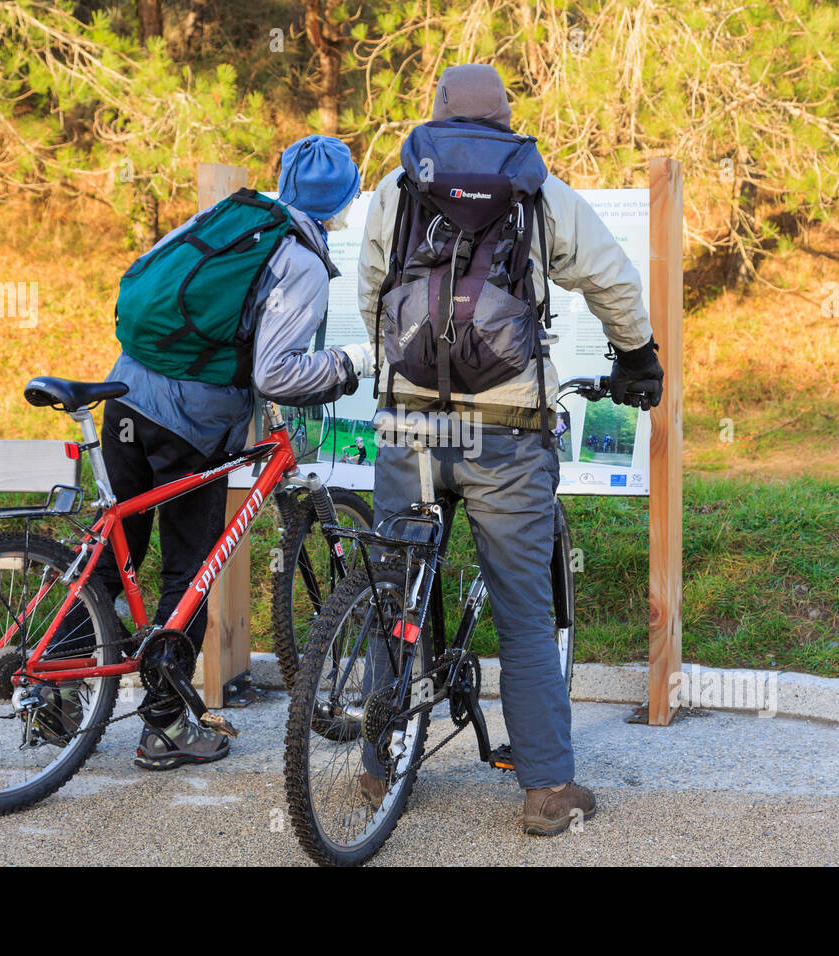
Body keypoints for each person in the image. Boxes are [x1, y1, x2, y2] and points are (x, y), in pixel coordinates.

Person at [357, 64, 663, 835]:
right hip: (507, 431)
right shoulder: (536, 189)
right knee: (526, 615)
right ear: (505, 117)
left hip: (411, 426)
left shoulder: (398, 189)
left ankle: (378, 766)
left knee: (394, 596)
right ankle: (546, 793)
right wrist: (636, 356)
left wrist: (404, 374)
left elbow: (372, 295)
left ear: (435, 113)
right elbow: (614, 280)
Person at [96, 134, 376, 771]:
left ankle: (54, 695)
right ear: (344, 203)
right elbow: (277, 375)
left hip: (125, 396)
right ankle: (165, 727)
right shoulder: (300, 261)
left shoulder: (235, 215)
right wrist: (351, 362)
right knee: (188, 573)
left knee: (118, 553)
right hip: (187, 424)